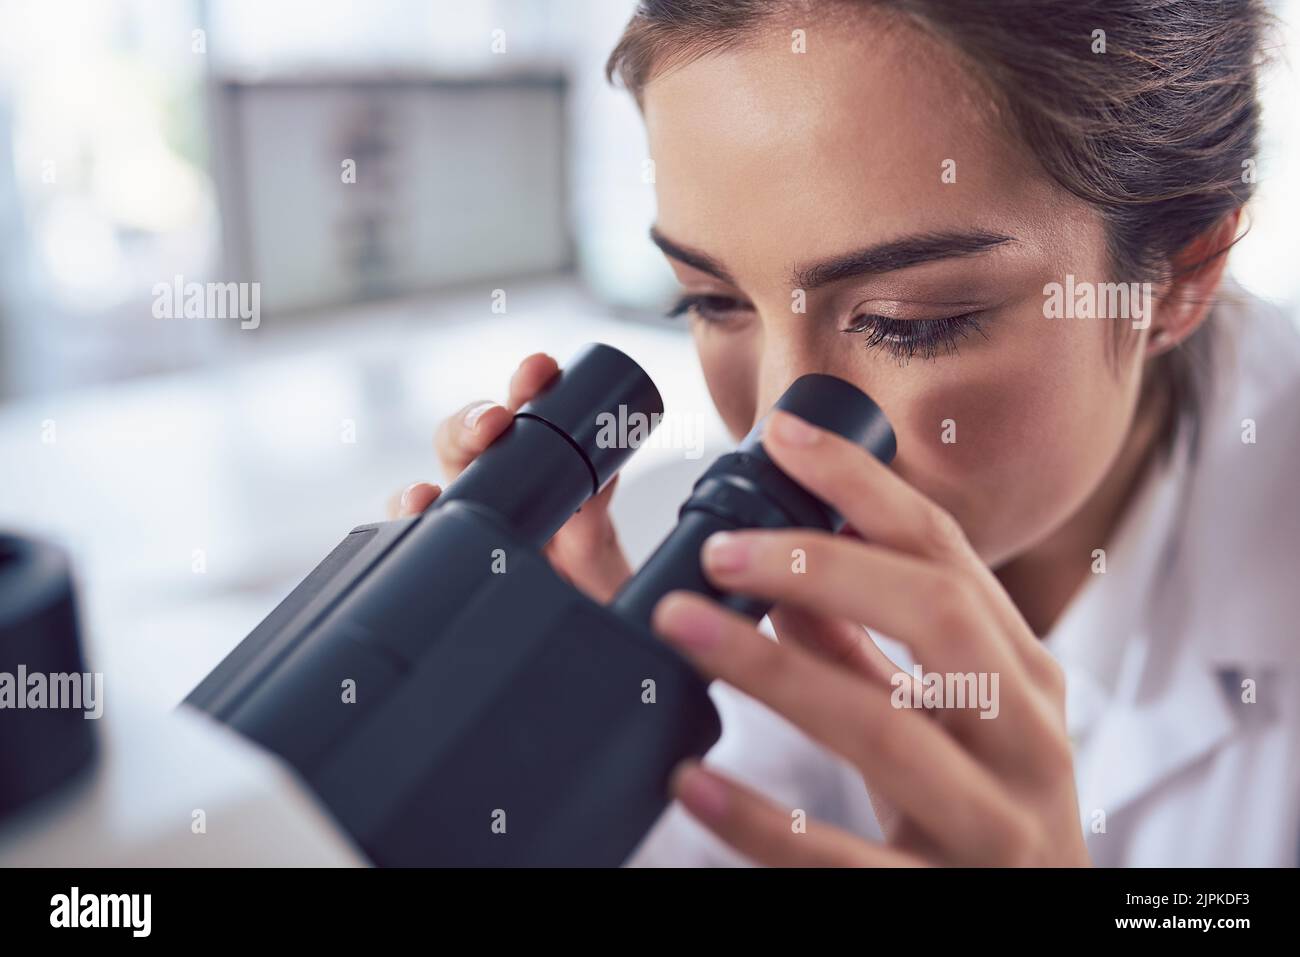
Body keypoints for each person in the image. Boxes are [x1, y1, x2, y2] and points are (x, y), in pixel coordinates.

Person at [393, 0, 1300, 865]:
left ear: (1180, 277)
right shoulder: (658, 554)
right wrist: (581, 778)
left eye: (909, 321)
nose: (778, 432)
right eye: (711, 301)